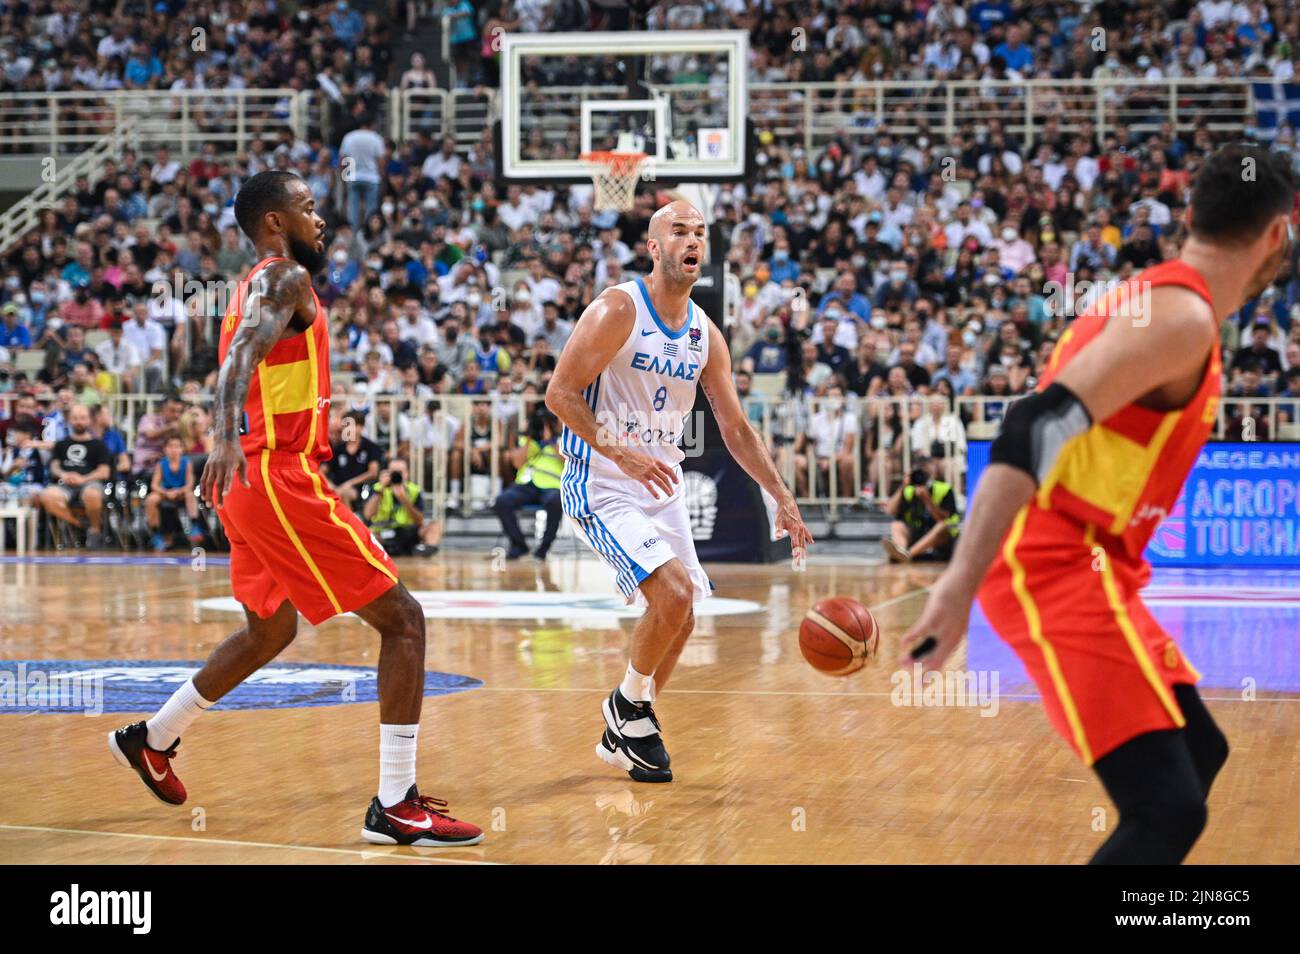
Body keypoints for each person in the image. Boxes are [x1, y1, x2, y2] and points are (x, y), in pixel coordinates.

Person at [902, 143, 1296, 864]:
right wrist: (957, 587)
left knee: (1199, 754)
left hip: (1097, 561)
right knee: (1168, 810)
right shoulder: (1180, 320)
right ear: (1277, 234)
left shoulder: (1171, 303)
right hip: (1048, 556)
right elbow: (1028, 424)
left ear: (1189, 214)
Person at [107, 171, 481, 847]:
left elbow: (242, 361)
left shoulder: (260, 285)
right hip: (277, 474)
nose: (322, 219)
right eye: (308, 209)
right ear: (275, 223)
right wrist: (221, 438)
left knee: (268, 633)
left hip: (251, 485)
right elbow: (236, 365)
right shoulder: (282, 278)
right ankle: (395, 803)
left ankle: (152, 737)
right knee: (403, 621)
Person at [547, 199, 813, 783]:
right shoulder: (619, 307)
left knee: (685, 612)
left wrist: (783, 498)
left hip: (659, 482)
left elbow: (735, 427)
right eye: (679, 231)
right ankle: (629, 712)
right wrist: (617, 449)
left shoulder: (704, 333)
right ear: (654, 246)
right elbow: (560, 393)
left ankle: (628, 714)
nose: (692, 240)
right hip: (603, 479)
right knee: (670, 594)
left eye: (699, 232)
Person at [492, 408, 564, 561]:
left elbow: (568, 463)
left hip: (552, 486)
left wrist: (552, 441)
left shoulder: (563, 440)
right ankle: (519, 545)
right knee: (502, 501)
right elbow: (517, 463)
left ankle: (543, 548)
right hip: (527, 484)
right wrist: (531, 439)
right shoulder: (529, 440)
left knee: (555, 502)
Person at [39, 403, 111, 548]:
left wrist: (83, 479)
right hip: (65, 484)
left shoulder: (98, 445)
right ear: (69, 420)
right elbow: (54, 466)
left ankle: (95, 530)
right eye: (75, 418)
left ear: (89, 420)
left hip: (90, 482)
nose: (79, 421)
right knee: (47, 495)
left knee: (92, 495)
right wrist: (63, 474)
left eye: (83, 418)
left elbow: (104, 472)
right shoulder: (61, 444)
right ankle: (79, 525)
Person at [881, 457, 961, 562]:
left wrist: (928, 500)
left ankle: (908, 555)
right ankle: (901, 550)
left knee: (942, 526)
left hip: (941, 539)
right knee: (896, 525)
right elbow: (889, 510)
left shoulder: (944, 489)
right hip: (917, 533)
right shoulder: (908, 490)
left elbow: (943, 519)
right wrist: (903, 486)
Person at [363, 457, 438, 557]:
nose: (396, 475)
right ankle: (379, 550)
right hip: (383, 533)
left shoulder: (414, 490)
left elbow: (420, 520)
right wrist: (380, 492)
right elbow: (367, 515)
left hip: (408, 533)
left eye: (400, 472)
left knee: (435, 525)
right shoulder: (377, 487)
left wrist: (404, 499)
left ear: (407, 474)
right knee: (368, 535)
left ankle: (425, 548)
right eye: (393, 472)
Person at [145, 435, 202, 550]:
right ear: (165, 449)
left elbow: (190, 484)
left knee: (190, 495)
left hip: (181, 492)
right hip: (166, 492)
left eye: (177, 446)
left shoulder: (187, 463)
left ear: (182, 449)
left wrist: (179, 491)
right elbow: (154, 485)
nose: (174, 449)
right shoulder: (161, 464)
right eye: (170, 446)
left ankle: (194, 526)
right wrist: (166, 493)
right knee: (151, 499)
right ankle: (157, 534)